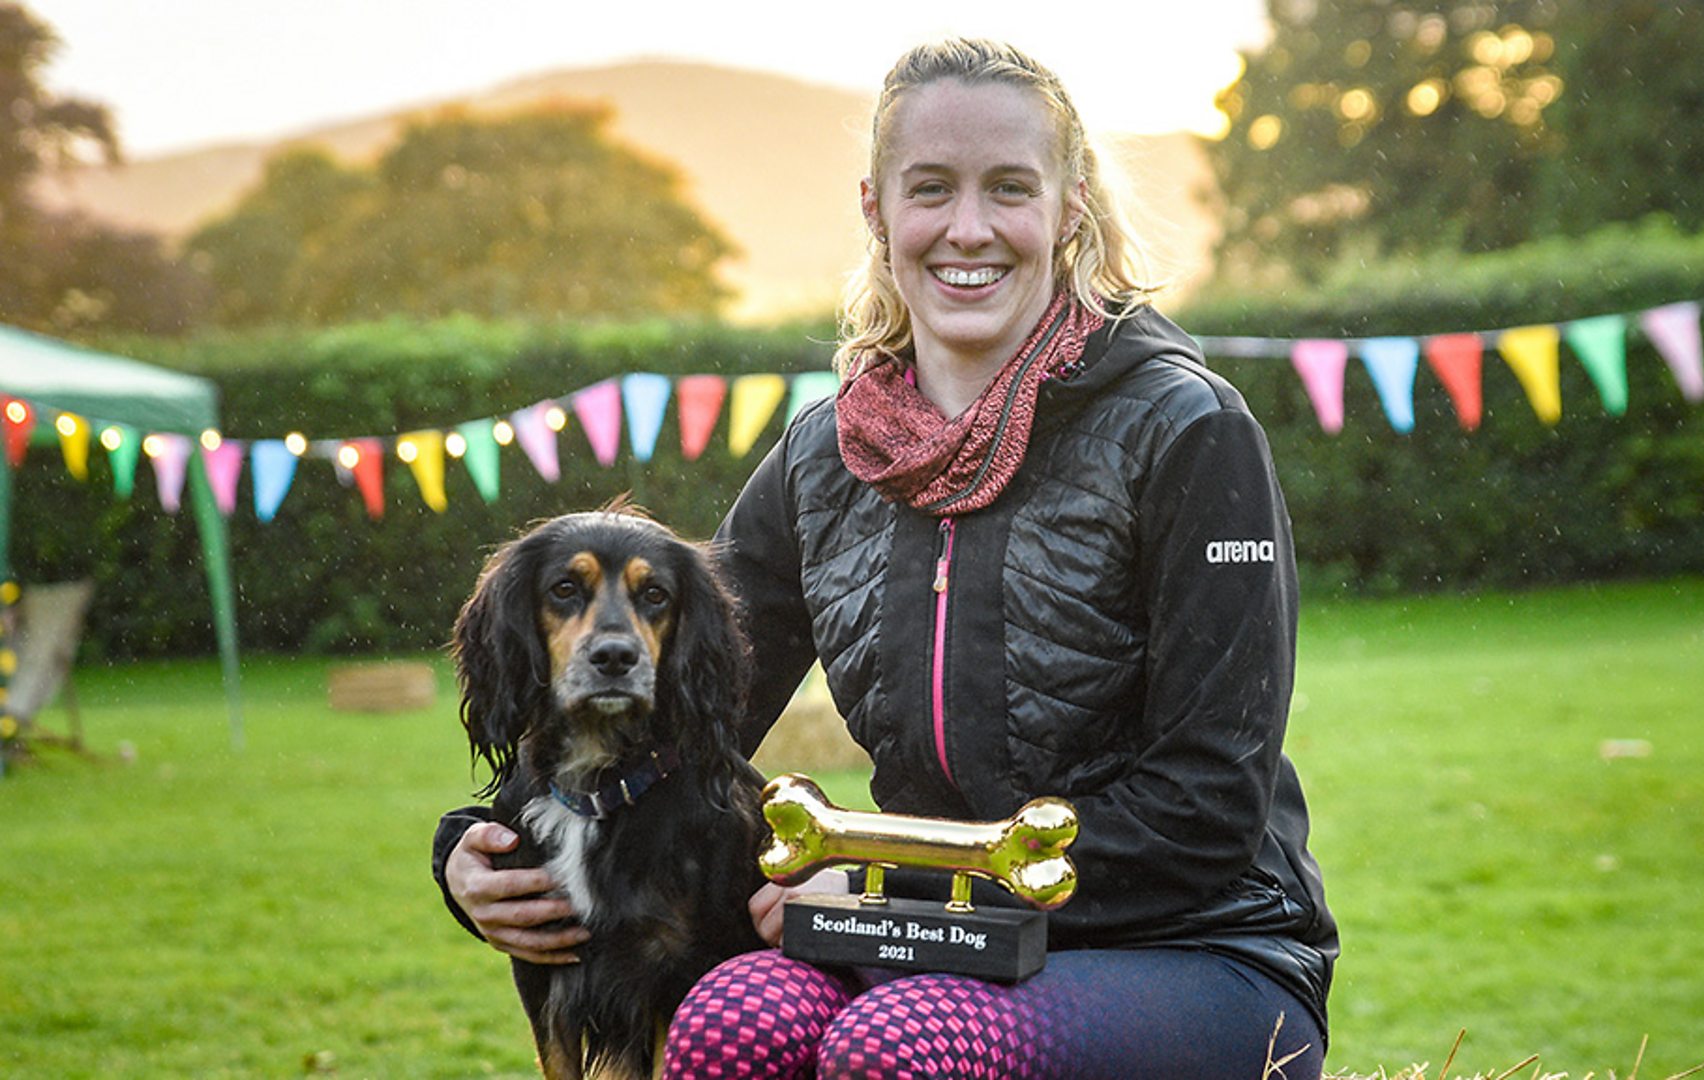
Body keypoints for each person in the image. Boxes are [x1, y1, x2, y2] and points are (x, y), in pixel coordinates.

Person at [436, 37, 1336, 1079]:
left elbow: (1205, 809)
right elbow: (677, 720)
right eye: (930, 190)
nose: (968, 228)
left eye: (1009, 188)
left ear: (1070, 205)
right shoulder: (821, 459)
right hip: (918, 941)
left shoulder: (1187, 430)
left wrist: (889, 887)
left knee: (892, 1052)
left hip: (1199, 950)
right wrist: (474, 848)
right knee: (728, 1023)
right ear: (876, 209)